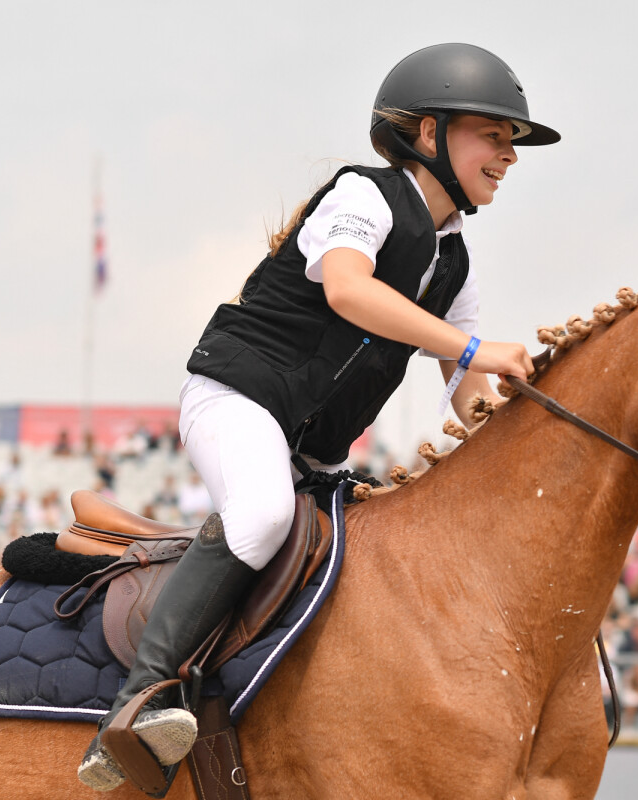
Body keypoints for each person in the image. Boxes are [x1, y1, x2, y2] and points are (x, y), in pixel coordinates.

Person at [77, 43, 559, 791]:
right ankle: (139, 701)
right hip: (235, 400)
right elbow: (347, 292)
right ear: (427, 134)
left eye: (512, 142)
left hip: (320, 452)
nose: (509, 155)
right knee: (264, 512)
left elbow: (468, 397)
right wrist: (471, 347)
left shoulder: (453, 261)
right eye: (493, 135)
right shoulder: (364, 197)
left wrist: (529, 419)